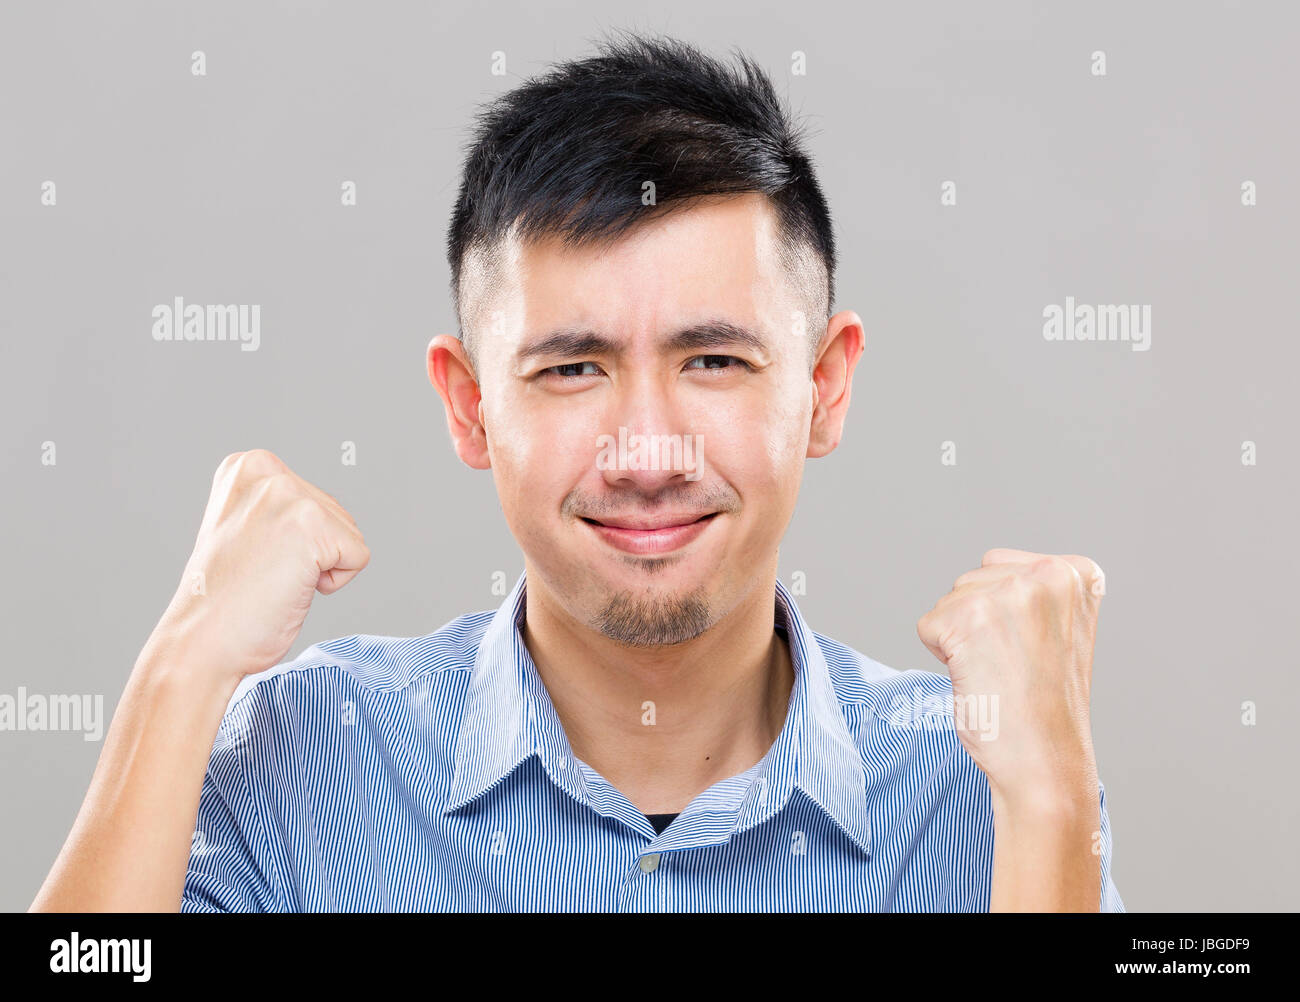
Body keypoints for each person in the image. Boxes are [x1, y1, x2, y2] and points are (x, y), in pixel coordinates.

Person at [31, 32, 1123, 912]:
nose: (647, 453)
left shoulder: (986, 778)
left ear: (824, 388)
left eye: (712, 360)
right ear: (469, 405)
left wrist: (1053, 796)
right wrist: (180, 668)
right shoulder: (303, 757)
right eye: (571, 368)